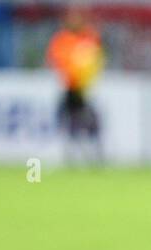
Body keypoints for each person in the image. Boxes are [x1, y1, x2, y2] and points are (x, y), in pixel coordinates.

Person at [46, 7, 105, 164]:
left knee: (90, 122)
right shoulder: (62, 39)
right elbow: (56, 61)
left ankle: (94, 154)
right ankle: (70, 154)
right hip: (69, 87)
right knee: (68, 120)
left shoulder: (90, 37)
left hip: (87, 88)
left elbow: (97, 58)